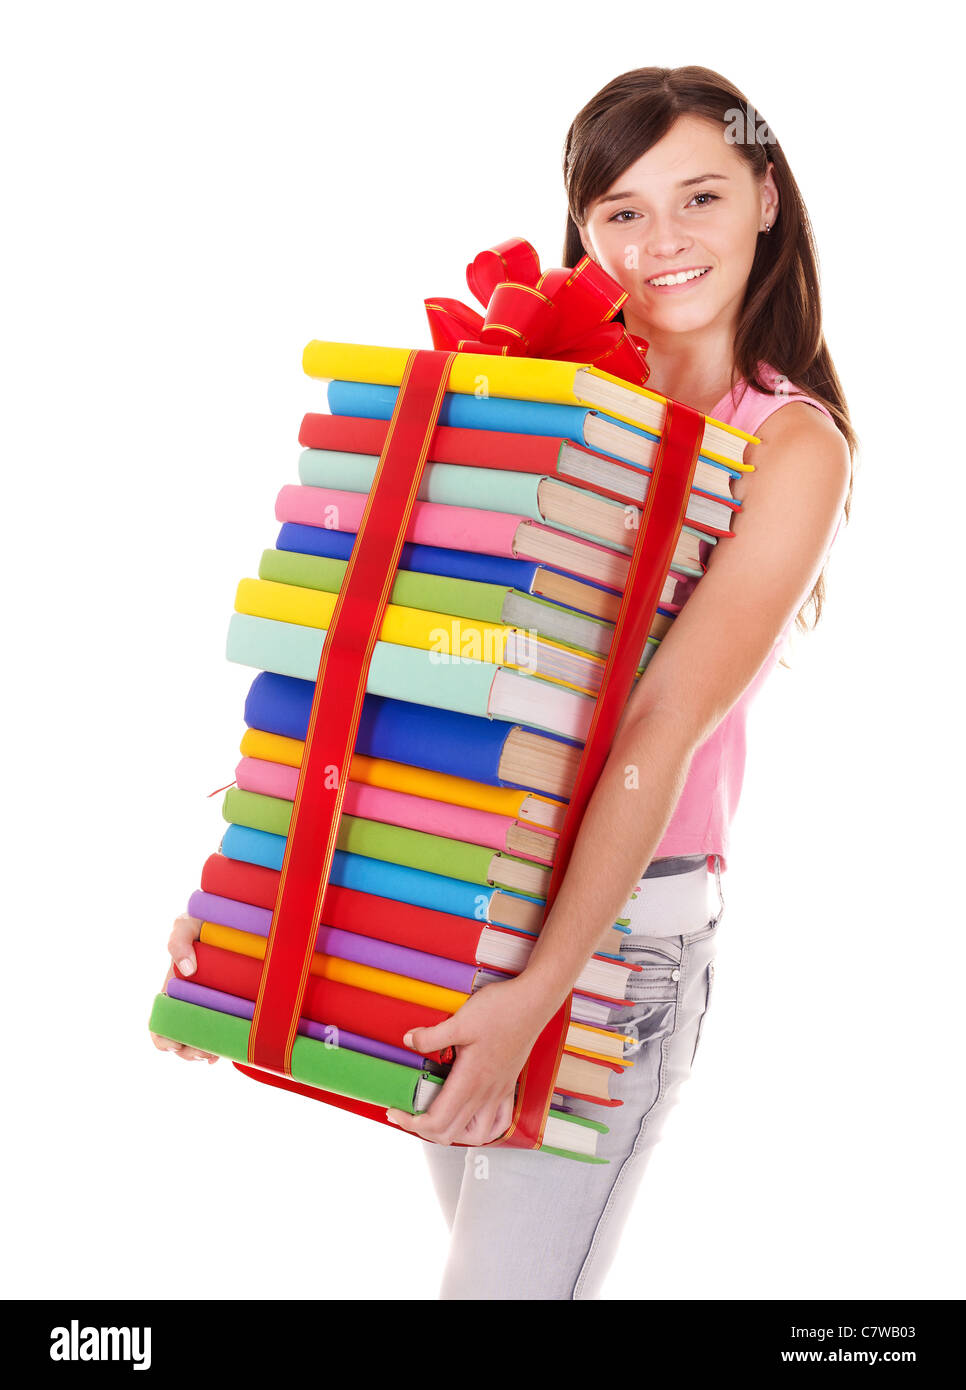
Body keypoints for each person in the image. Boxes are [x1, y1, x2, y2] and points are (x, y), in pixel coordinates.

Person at [150, 64, 855, 1300]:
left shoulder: (788, 442)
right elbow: (394, 652)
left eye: (699, 196)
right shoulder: (555, 398)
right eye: (621, 212)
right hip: (458, 876)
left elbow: (661, 720)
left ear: (766, 199)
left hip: (613, 935)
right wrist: (262, 884)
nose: (662, 242)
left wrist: (540, 988)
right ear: (585, 230)